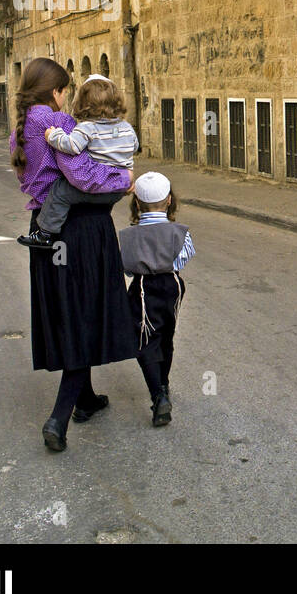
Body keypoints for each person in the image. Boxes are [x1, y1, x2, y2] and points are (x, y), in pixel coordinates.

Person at [10, 58, 139, 452]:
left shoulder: (20, 128)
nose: (66, 99)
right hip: (80, 230)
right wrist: (123, 180)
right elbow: (84, 177)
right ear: (56, 92)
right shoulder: (60, 125)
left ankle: (86, 399)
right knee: (83, 313)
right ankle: (58, 418)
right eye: (65, 91)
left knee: (69, 310)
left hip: (46, 227)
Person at [18, 74, 138, 249]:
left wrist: (53, 135)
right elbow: (134, 147)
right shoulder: (126, 128)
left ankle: (45, 233)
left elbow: (71, 145)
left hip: (97, 189)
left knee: (60, 191)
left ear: (83, 103)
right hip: (118, 190)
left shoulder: (86, 128)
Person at [120, 172, 194, 427]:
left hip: (143, 288)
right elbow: (184, 257)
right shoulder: (180, 232)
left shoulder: (128, 237)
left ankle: (158, 395)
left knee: (144, 341)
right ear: (170, 201)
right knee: (165, 336)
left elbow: (128, 268)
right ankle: (164, 383)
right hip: (172, 286)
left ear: (137, 204)